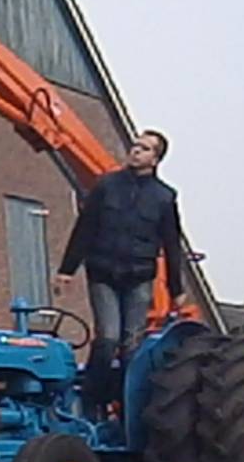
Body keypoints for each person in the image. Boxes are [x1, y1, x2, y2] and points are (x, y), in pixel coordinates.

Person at [53, 128, 186, 404]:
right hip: (103, 273)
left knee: (132, 346)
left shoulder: (164, 197)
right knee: (108, 339)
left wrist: (177, 289)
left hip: (139, 277)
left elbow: (172, 244)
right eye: (135, 146)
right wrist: (67, 269)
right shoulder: (106, 186)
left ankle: (127, 405)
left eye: (145, 148)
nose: (136, 151)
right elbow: (84, 229)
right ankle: (92, 401)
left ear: (156, 159)